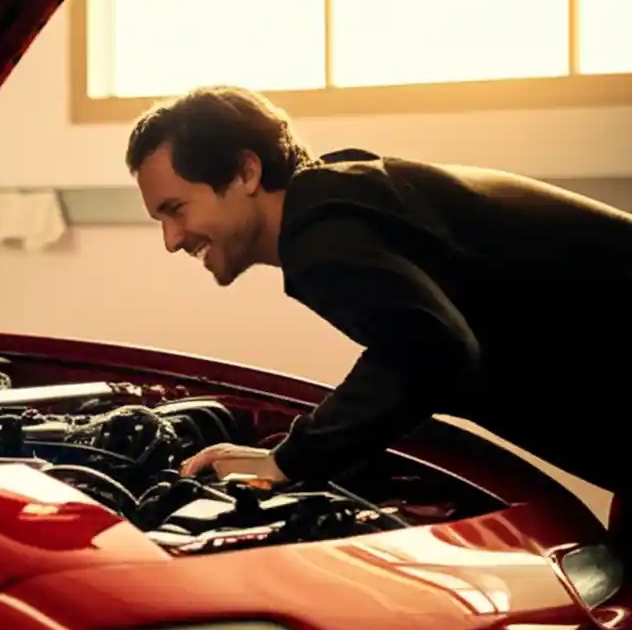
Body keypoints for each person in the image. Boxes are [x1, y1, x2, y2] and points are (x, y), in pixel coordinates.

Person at [124, 85, 632, 547]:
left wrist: (289, 460)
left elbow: (429, 348)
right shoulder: (343, 196)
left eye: (177, 209)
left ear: (245, 173)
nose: (171, 240)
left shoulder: (320, 236)